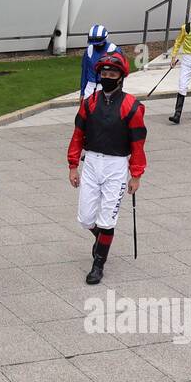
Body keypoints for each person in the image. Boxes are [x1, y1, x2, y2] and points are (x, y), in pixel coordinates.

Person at [67, 50, 146, 285]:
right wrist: (73, 165)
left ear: (121, 76)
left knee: (107, 219)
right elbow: (77, 135)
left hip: (116, 165)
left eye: (112, 72)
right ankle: (101, 239)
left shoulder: (132, 106)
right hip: (91, 162)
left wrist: (136, 174)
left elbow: (138, 142)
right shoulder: (89, 103)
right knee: (85, 218)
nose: (107, 76)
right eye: (104, 72)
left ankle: (98, 264)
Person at [79, 24, 120, 98]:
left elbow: (121, 73)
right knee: (86, 108)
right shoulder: (89, 50)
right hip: (90, 86)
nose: (96, 46)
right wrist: (82, 92)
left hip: (107, 85)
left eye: (98, 43)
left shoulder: (113, 49)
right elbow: (84, 71)